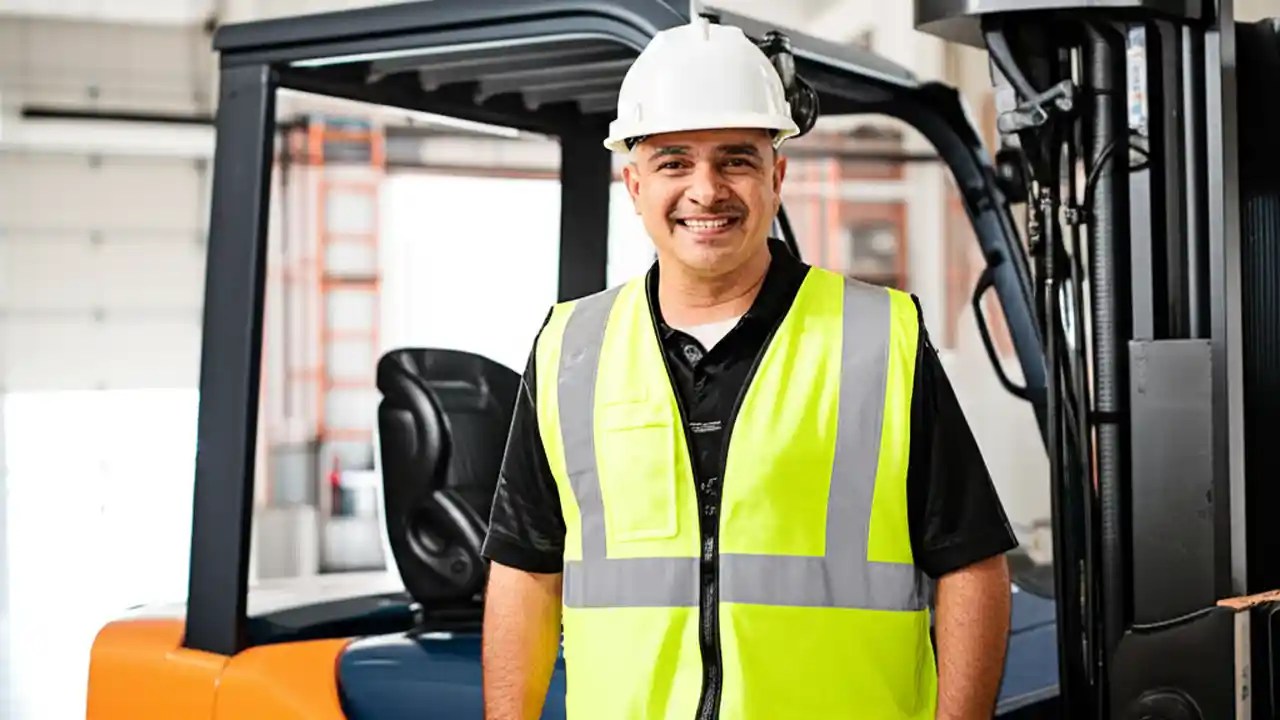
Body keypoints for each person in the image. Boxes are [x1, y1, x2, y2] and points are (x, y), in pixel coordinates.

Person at [480, 15, 1016, 720]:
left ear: (777, 175)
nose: (707, 189)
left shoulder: (881, 339)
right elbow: (525, 572)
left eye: (735, 158)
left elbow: (971, 565)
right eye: (675, 162)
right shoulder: (569, 348)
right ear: (635, 184)